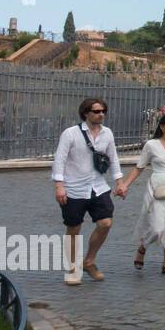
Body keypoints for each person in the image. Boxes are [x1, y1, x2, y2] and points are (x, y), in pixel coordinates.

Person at [51, 97, 125, 285]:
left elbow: (113, 158)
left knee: (106, 223)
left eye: (103, 112)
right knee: (74, 228)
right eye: (97, 111)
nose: (101, 115)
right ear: (86, 113)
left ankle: (89, 261)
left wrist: (119, 181)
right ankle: (72, 268)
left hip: (98, 186)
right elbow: (59, 159)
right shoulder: (70, 133)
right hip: (74, 187)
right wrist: (59, 185)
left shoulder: (107, 133)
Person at [117, 112, 165, 276]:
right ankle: (142, 247)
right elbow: (139, 167)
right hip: (156, 185)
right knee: (157, 226)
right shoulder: (151, 145)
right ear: (162, 126)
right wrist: (125, 185)